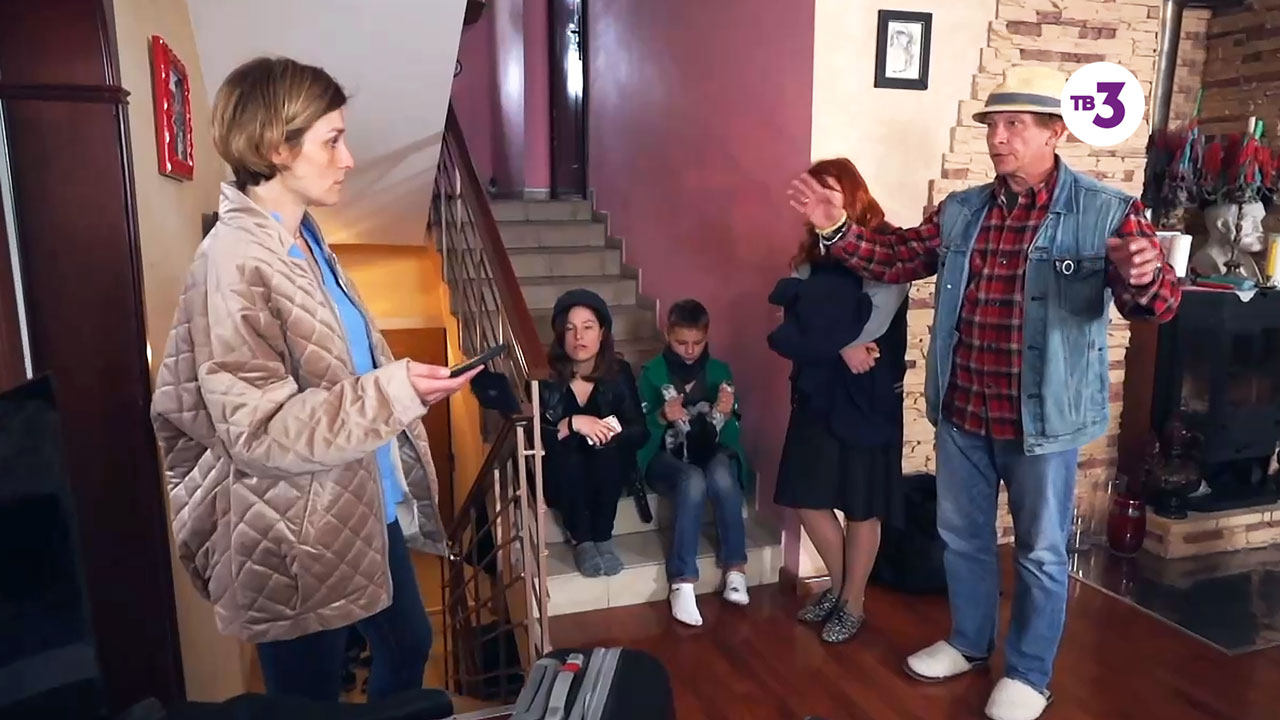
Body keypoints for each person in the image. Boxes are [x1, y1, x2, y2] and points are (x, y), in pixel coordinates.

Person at [789, 65, 1181, 720]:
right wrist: (837, 230)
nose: (998, 138)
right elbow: (898, 257)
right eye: (993, 125)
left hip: (1044, 423)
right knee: (962, 539)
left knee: (1041, 552)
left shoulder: (1108, 212)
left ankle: (1029, 675)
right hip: (964, 411)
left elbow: (1157, 306)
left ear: (1055, 132)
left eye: (1014, 125)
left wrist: (1147, 276)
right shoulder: (963, 210)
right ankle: (969, 642)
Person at [150, 56, 479, 703]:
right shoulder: (234, 263)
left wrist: (404, 382)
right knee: (307, 698)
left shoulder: (305, 237)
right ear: (277, 147)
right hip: (290, 530)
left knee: (408, 644)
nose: (348, 159)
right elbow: (261, 431)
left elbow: (342, 366)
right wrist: (395, 392)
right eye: (332, 141)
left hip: (357, 497)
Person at [769, 158, 909, 644]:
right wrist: (841, 346)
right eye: (813, 192)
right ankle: (840, 584)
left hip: (869, 396)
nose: (820, 201)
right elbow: (792, 324)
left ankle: (853, 601)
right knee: (807, 496)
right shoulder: (810, 254)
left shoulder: (886, 246)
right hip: (819, 388)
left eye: (829, 190)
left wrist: (830, 333)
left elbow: (876, 318)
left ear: (852, 193)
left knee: (862, 504)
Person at [636, 299, 754, 627]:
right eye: (681, 342)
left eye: (697, 343)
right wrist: (661, 417)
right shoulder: (651, 374)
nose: (689, 351)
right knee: (693, 480)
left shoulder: (720, 371)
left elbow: (731, 432)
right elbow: (636, 432)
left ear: (707, 336)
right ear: (667, 334)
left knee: (723, 474)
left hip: (709, 450)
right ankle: (683, 581)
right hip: (664, 458)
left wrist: (727, 414)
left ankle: (735, 569)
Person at [539, 289, 649, 577]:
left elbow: (640, 431)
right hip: (562, 471)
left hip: (607, 467)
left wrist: (606, 431)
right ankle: (582, 540)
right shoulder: (545, 376)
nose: (579, 337)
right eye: (570, 329)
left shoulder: (619, 372)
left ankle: (602, 536)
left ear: (602, 333)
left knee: (606, 453)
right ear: (561, 335)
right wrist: (572, 423)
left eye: (588, 327)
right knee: (570, 456)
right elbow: (534, 439)